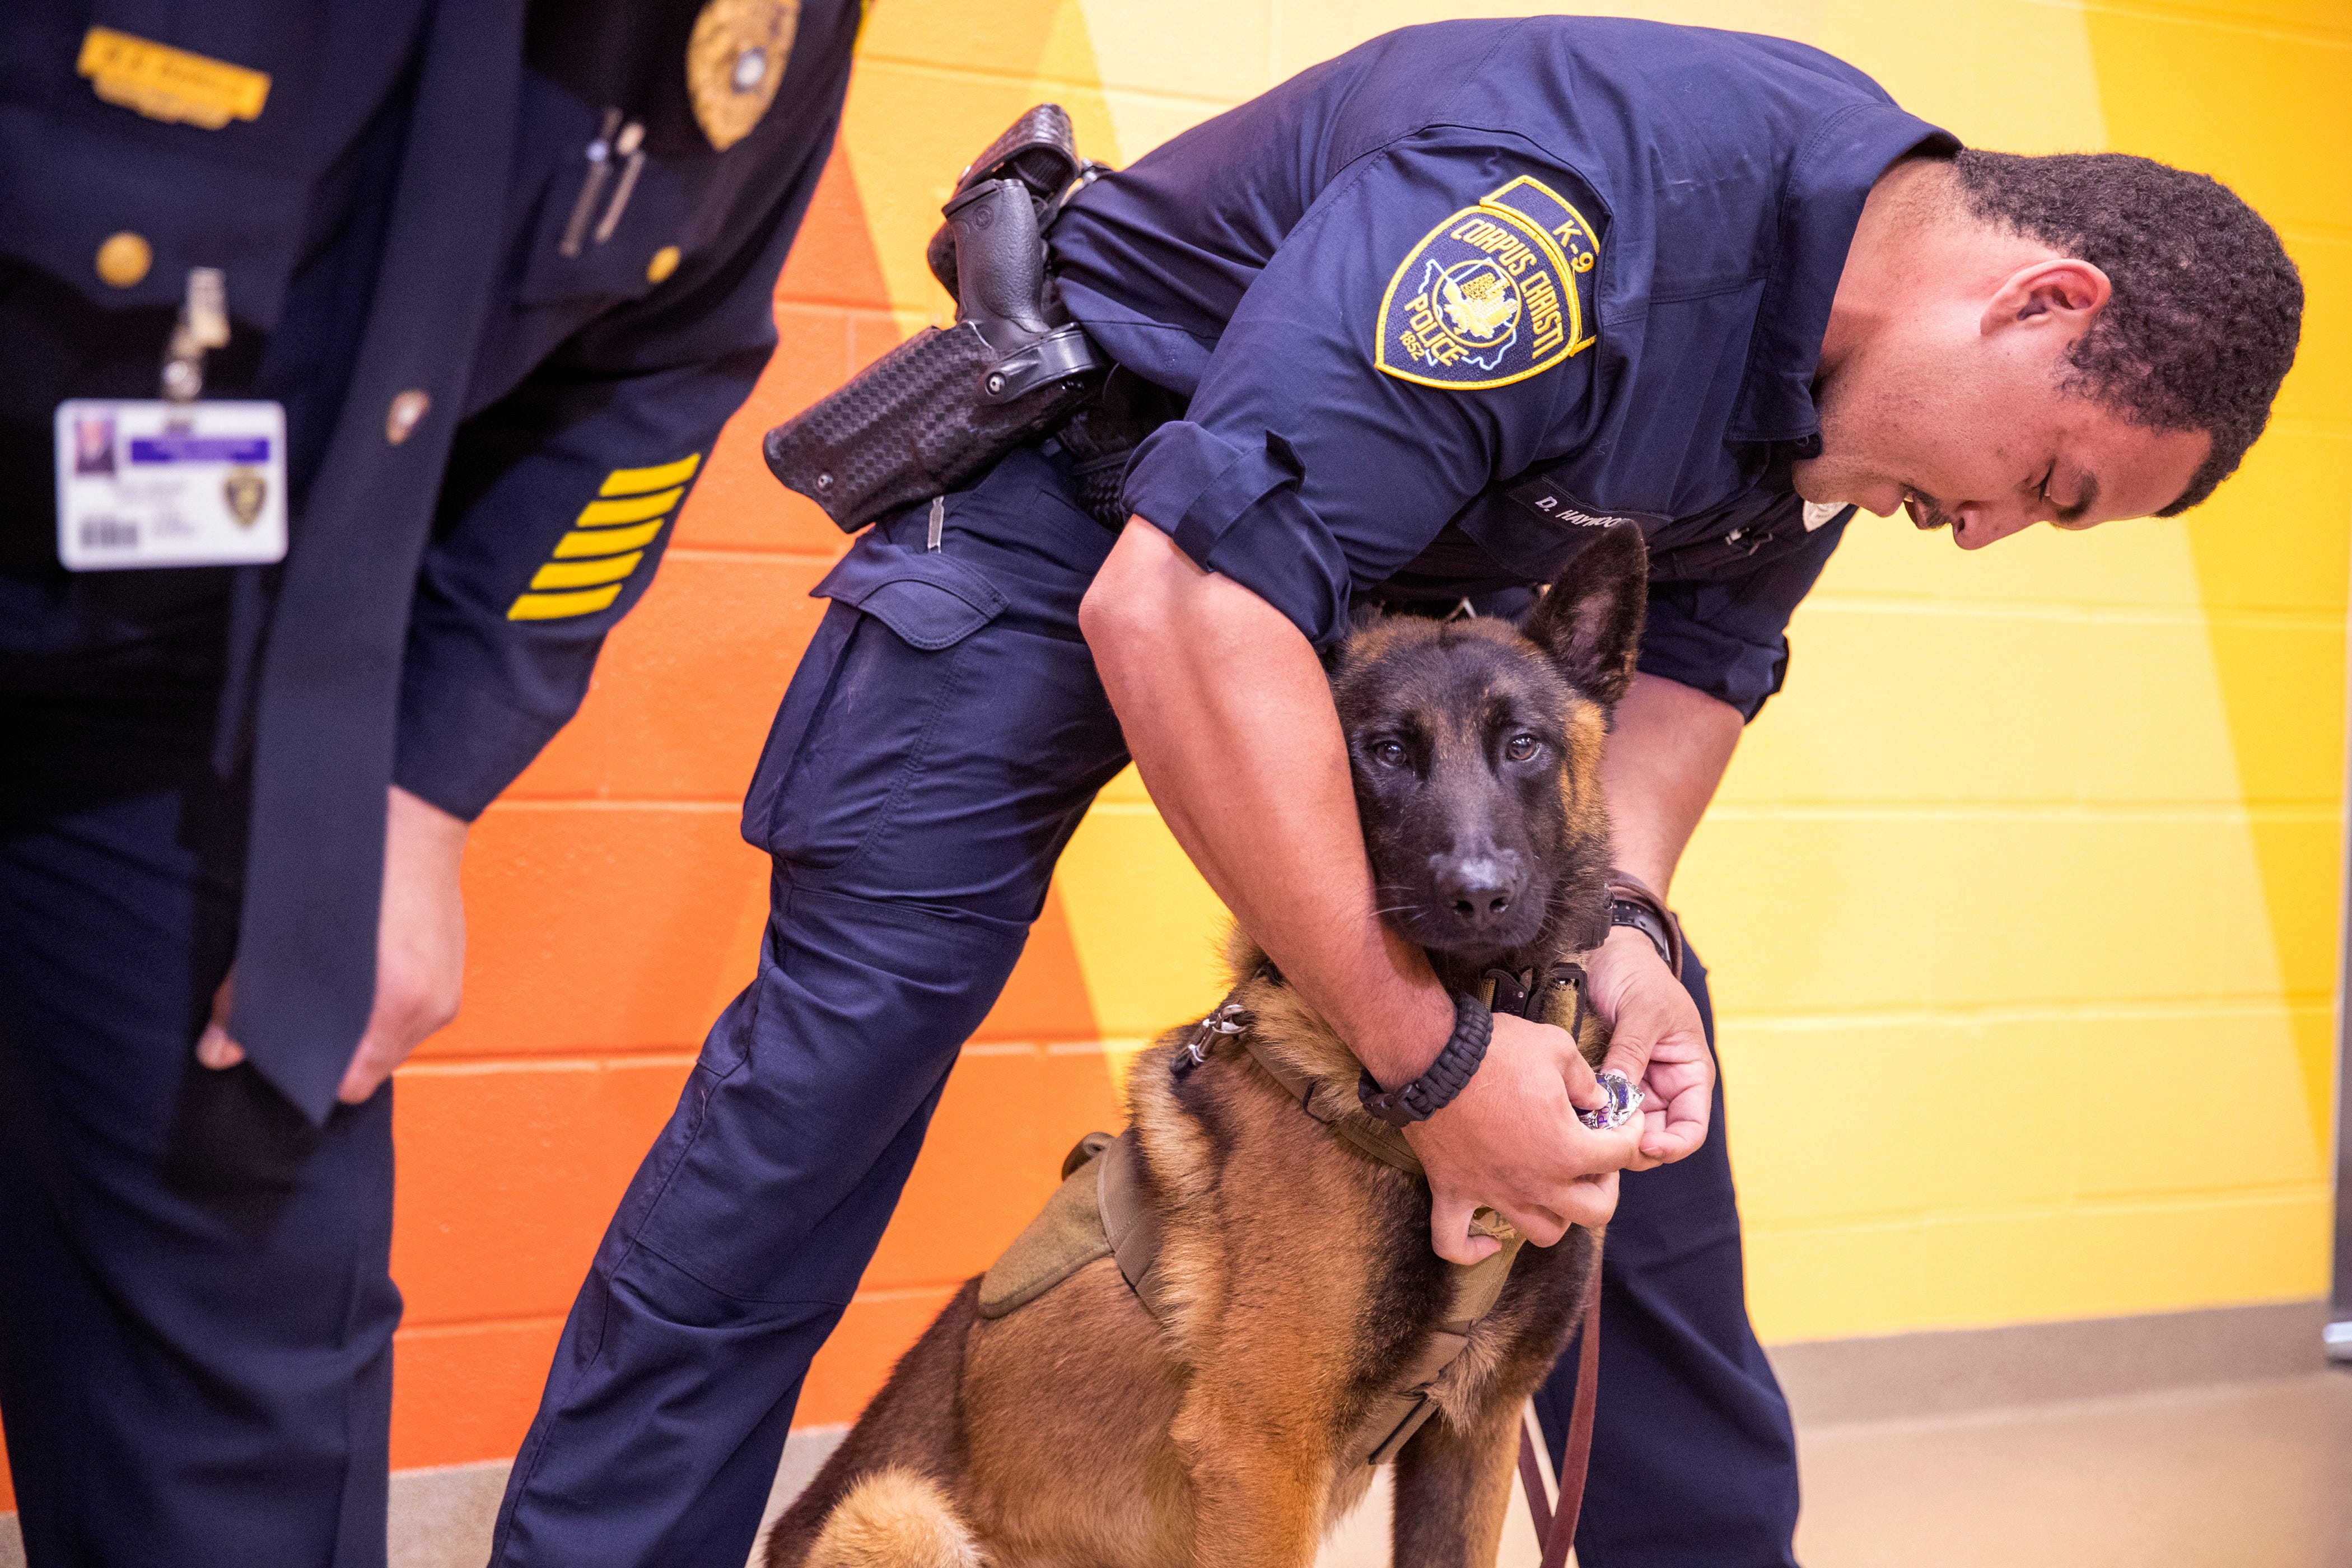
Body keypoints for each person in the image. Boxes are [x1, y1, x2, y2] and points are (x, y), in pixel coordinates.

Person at [490, 17, 2303, 1567]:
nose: (1986, 531)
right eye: (2050, 484)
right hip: (1091, 535)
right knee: (826, 1088)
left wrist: (1631, 933)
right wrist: (1433, 1067)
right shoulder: (1571, 219)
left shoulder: (1837, 374)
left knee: (1630, 1086)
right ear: (2038, 302)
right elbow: (1181, 605)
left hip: (1383, 628)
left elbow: (1685, 678)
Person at [0, 2, 857, 1563]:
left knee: (250, 1343)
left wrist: (423, 791)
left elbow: (655, 372)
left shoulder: (770, 27)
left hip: (218, 665)